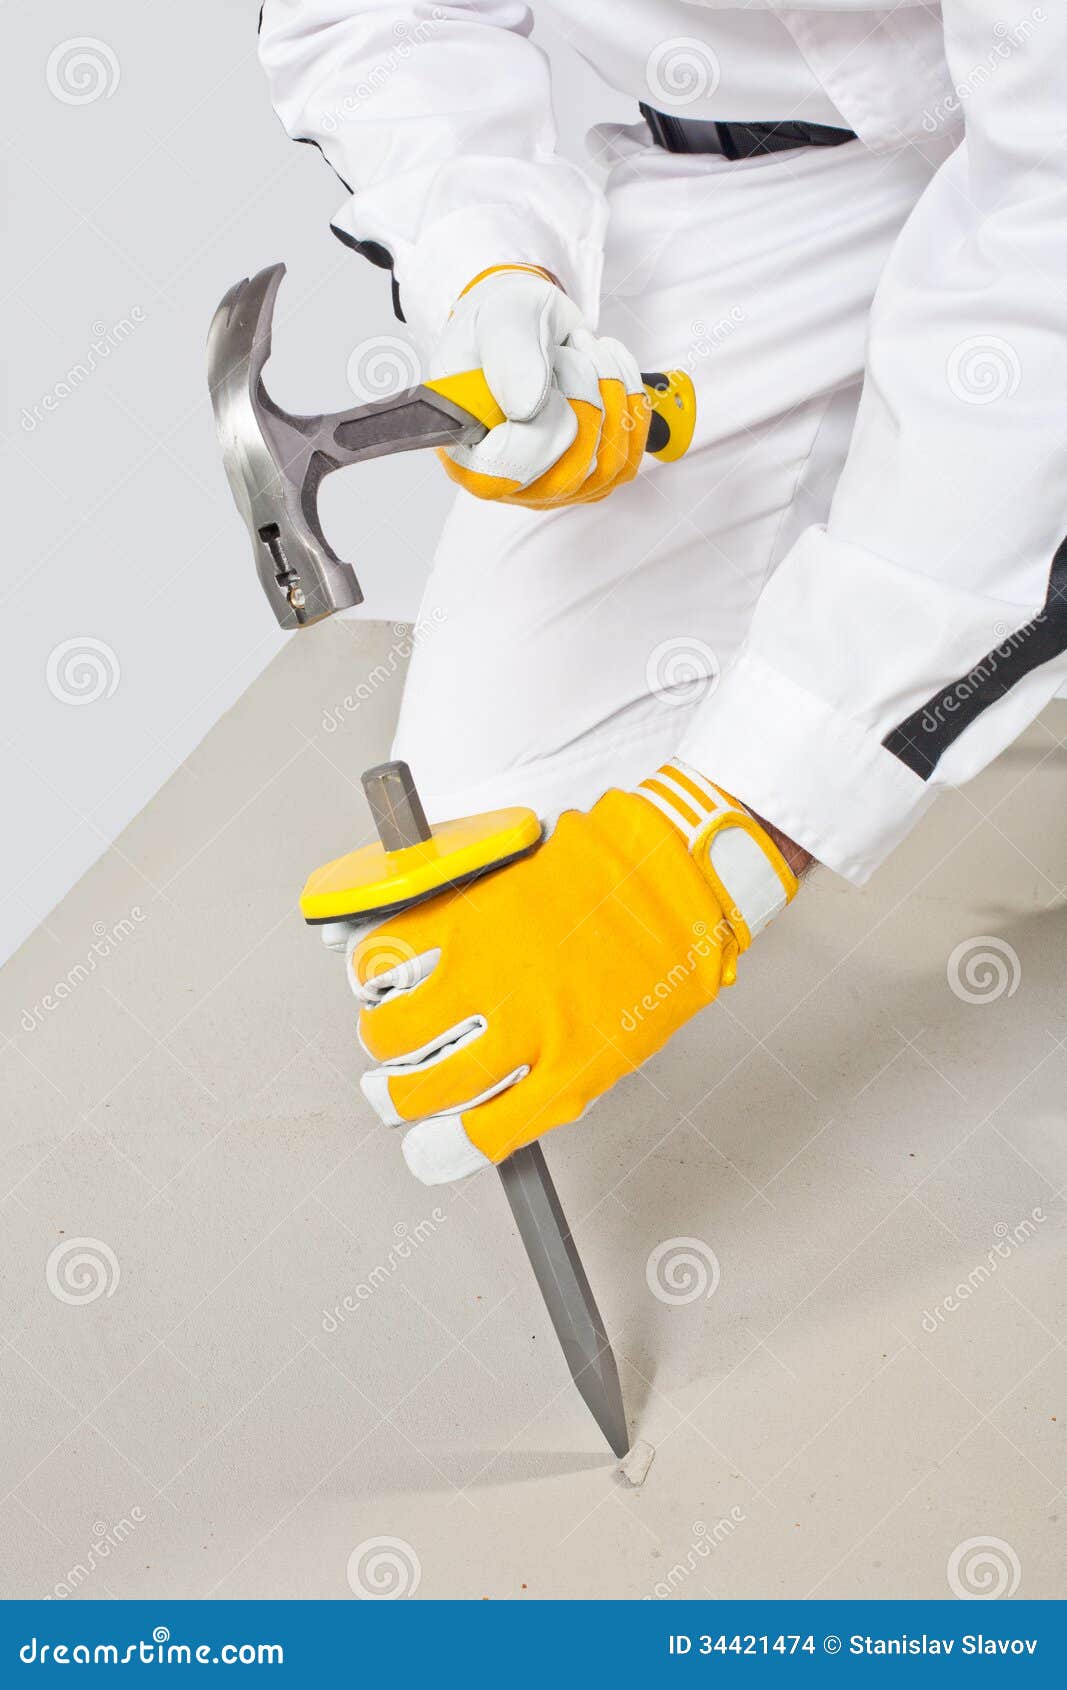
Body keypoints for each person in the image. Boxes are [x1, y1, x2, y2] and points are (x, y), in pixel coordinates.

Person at [259, 2, 1066, 1183]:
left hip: (1040, 177)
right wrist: (480, 256)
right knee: (486, 830)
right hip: (767, 192)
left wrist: (713, 844)